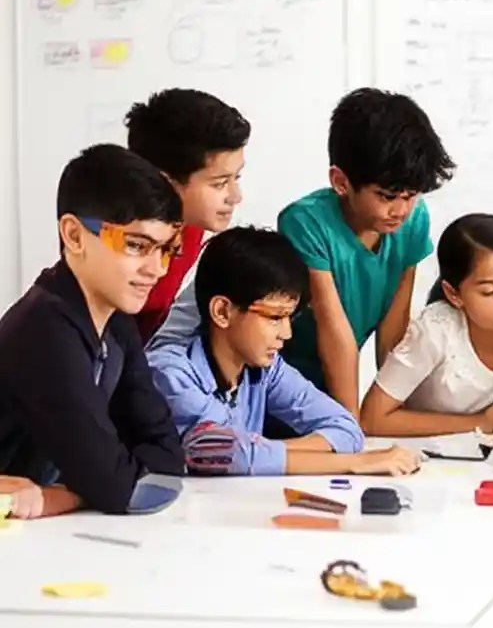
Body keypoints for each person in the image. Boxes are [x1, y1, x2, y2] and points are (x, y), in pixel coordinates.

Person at [0, 144, 185, 518]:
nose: (157, 269)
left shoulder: (115, 318)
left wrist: (58, 496)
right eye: (136, 245)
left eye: (165, 250)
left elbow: (167, 457)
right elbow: (119, 490)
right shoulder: (44, 329)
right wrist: (98, 488)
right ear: (74, 235)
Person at [148, 227, 420, 476]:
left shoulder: (266, 369)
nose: (286, 334)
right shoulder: (169, 373)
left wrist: (261, 451)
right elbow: (221, 452)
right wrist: (354, 462)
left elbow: (346, 428)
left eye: (290, 317)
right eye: (275, 317)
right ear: (222, 311)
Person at [276, 87, 456, 420]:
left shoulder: (414, 220)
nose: (400, 210)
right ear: (341, 181)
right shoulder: (305, 222)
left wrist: (389, 410)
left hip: (335, 377)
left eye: (411, 195)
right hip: (281, 379)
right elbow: (335, 334)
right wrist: (351, 427)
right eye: (387, 196)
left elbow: (393, 323)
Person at [361, 214, 493, 437]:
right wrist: (477, 422)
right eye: (490, 291)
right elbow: (372, 418)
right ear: (454, 295)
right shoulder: (435, 332)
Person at [124, 88, 251, 342]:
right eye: (219, 183)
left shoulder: (191, 225)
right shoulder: (120, 244)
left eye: (236, 178)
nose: (235, 196)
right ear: (166, 183)